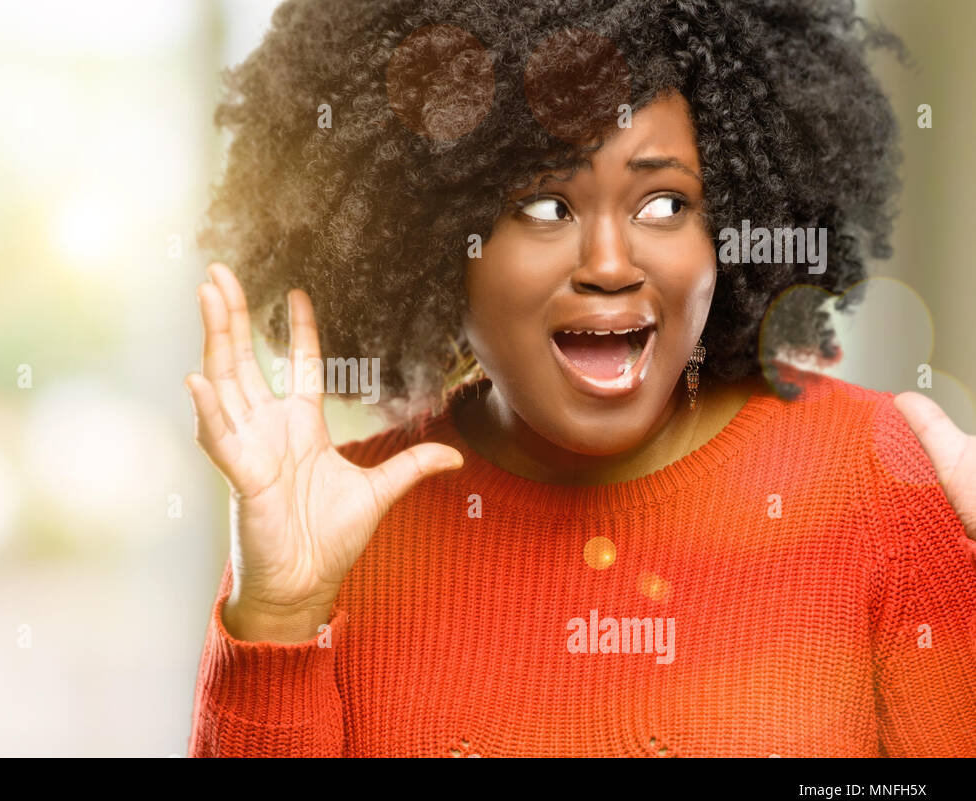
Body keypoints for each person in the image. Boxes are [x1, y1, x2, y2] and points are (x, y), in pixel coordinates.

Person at [183, 0, 976, 756]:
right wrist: (280, 618)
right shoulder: (336, 533)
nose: (608, 264)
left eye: (665, 204)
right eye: (544, 207)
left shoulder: (881, 484)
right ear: (427, 239)